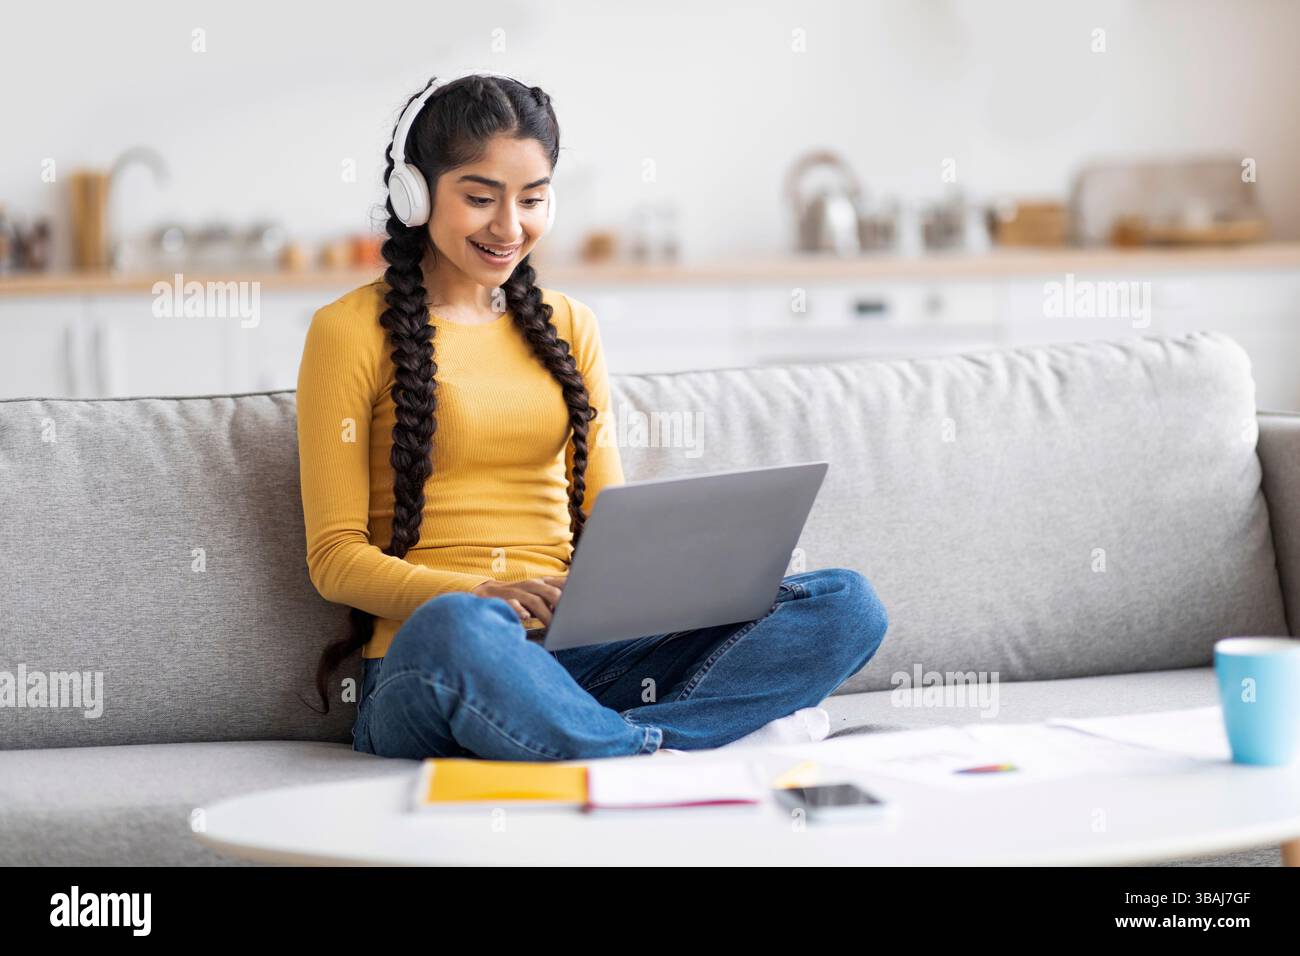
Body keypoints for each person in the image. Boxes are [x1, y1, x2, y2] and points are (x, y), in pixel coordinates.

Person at [297, 73, 889, 760]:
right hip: (437, 662)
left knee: (846, 605)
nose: (509, 227)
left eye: (533, 199)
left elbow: (614, 525)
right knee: (461, 627)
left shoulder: (570, 326)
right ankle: (676, 745)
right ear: (416, 194)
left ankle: (633, 745)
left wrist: (686, 580)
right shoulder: (346, 330)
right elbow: (335, 561)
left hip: (581, 661)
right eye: (480, 198)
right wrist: (489, 592)